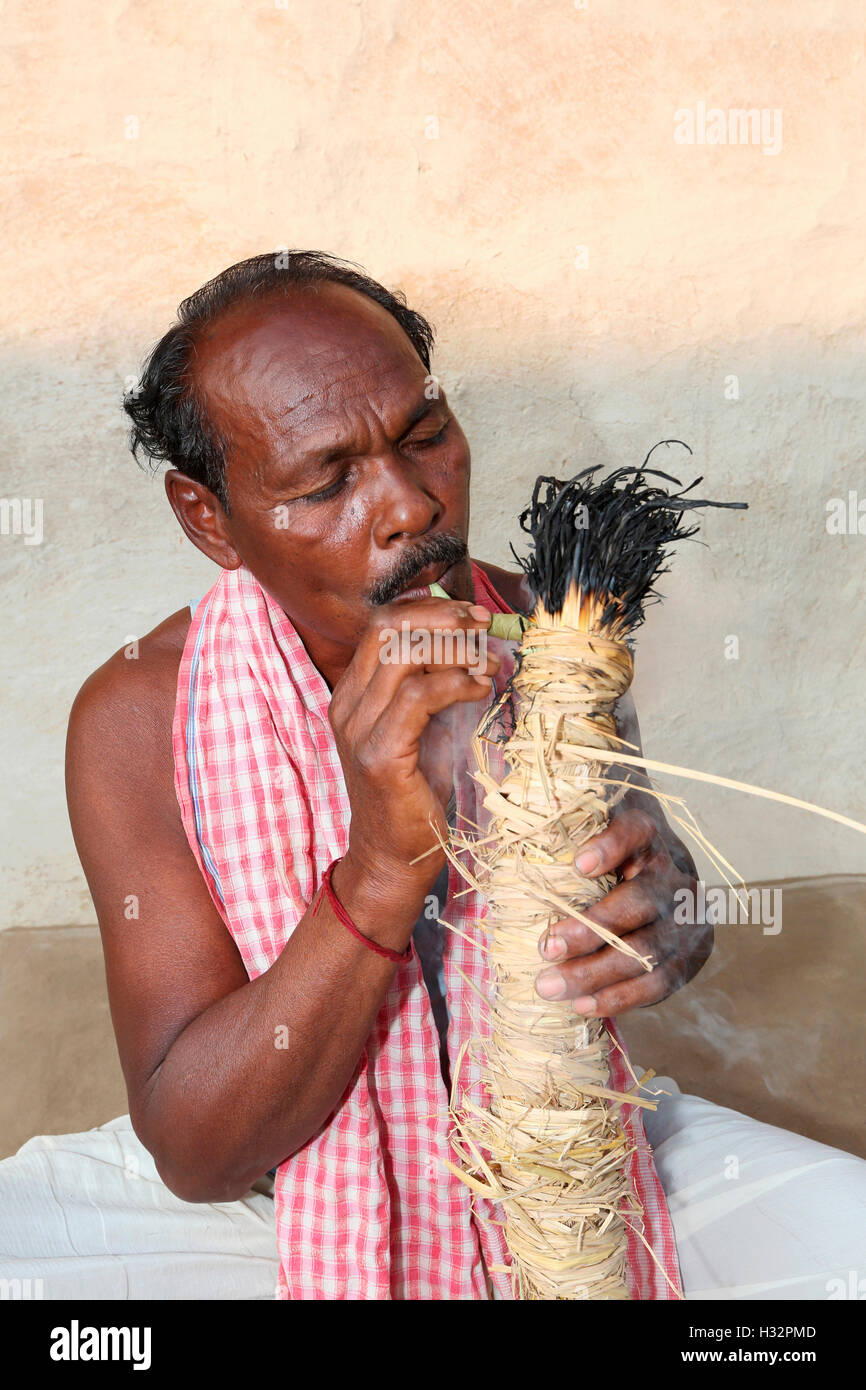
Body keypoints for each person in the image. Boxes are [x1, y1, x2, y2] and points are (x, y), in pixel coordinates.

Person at [1, 252, 862, 1300]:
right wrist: (377, 868)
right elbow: (196, 1152)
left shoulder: (547, 631)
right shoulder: (140, 713)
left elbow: (654, 887)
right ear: (209, 518)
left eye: (425, 437)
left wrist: (667, 919)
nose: (410, 506)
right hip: (268, 1200)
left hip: (558, 1139)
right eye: (326, 482)